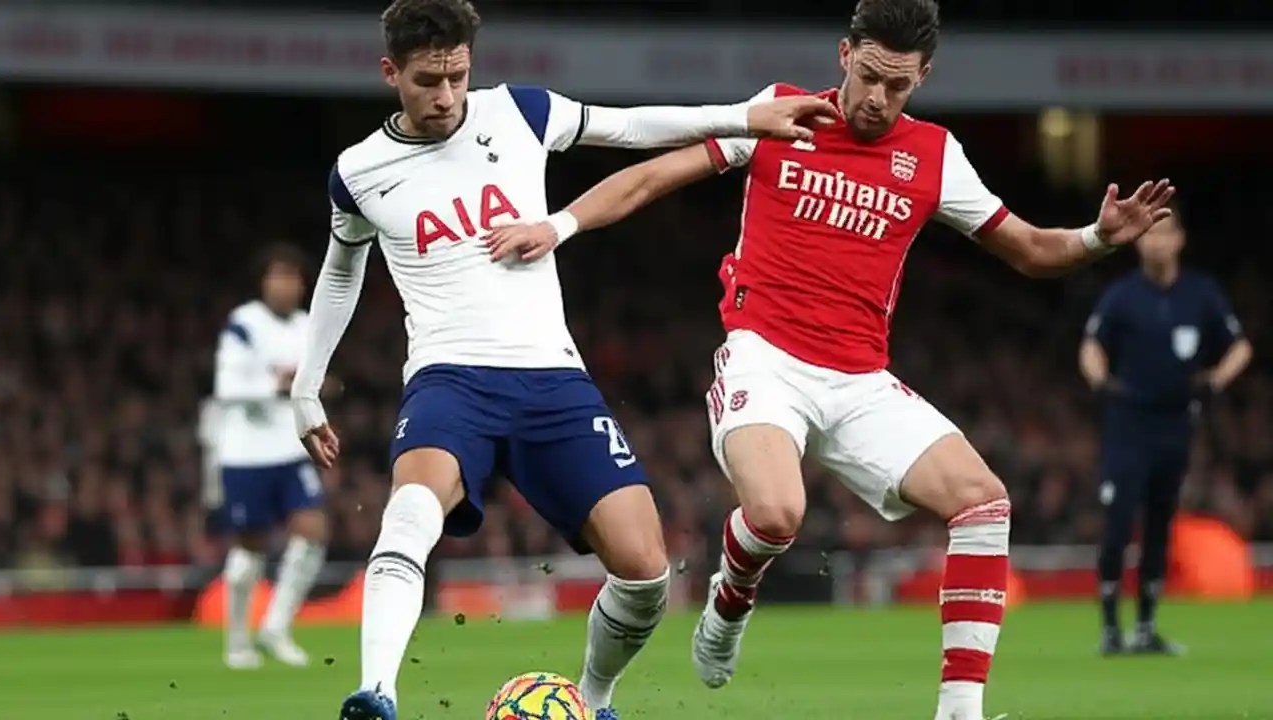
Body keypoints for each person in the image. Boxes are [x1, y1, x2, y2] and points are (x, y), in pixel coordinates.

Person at [483, 1, 1175, 716]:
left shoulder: (934, 155)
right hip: (764, 360)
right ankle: (731, 597)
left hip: (858, 378)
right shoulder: (782, 113)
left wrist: (1097, 236)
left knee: (984, 501)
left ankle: (959, 712)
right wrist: (559, 224)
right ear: (845, 54)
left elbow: (1031, 249)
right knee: (779, 512)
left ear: (923, 77)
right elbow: (658, 176)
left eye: (898, 86)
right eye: (870, 76)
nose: (878, 99)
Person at [286, 1, 836, 719]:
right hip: (450, 380)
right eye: (427, 81)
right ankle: (376, 694)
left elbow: (629, 126)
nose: (446, 95)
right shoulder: (359, 171)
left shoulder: (520, 112)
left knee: (644, 571)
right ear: (391, 73)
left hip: (553, 380)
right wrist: (306, 386)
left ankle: (595, 701)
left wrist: (741, 116)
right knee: (411, 511)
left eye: (457, 75)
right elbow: (338, 272)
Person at [1079, 205, 1251, 656]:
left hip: (1176, 424)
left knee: (1160, 525)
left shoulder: (1201, 294)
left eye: (1165, 233)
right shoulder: (1122, 296)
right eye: (1150, 235)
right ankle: (1111, 627)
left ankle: (1147, 626)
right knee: (1118, 524)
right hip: (1128, 423)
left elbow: (1239, 347)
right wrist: (1098, 378)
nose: (1157, 242)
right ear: (1138, 242)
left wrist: (1215, 380)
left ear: (1179, 239)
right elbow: (1092, 344)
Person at [205, 243, 331, 669]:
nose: (286, 285)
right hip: (245, 453)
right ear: (263, 282)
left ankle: (276, 627)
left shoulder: (308, 325)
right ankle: (238, 641)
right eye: (278, 276)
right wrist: (278, 386)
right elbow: (226, 390)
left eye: (294, 277)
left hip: (290, 448)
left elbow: (318, 380)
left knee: (312, 530)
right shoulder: (244, 324)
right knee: (248, 553)